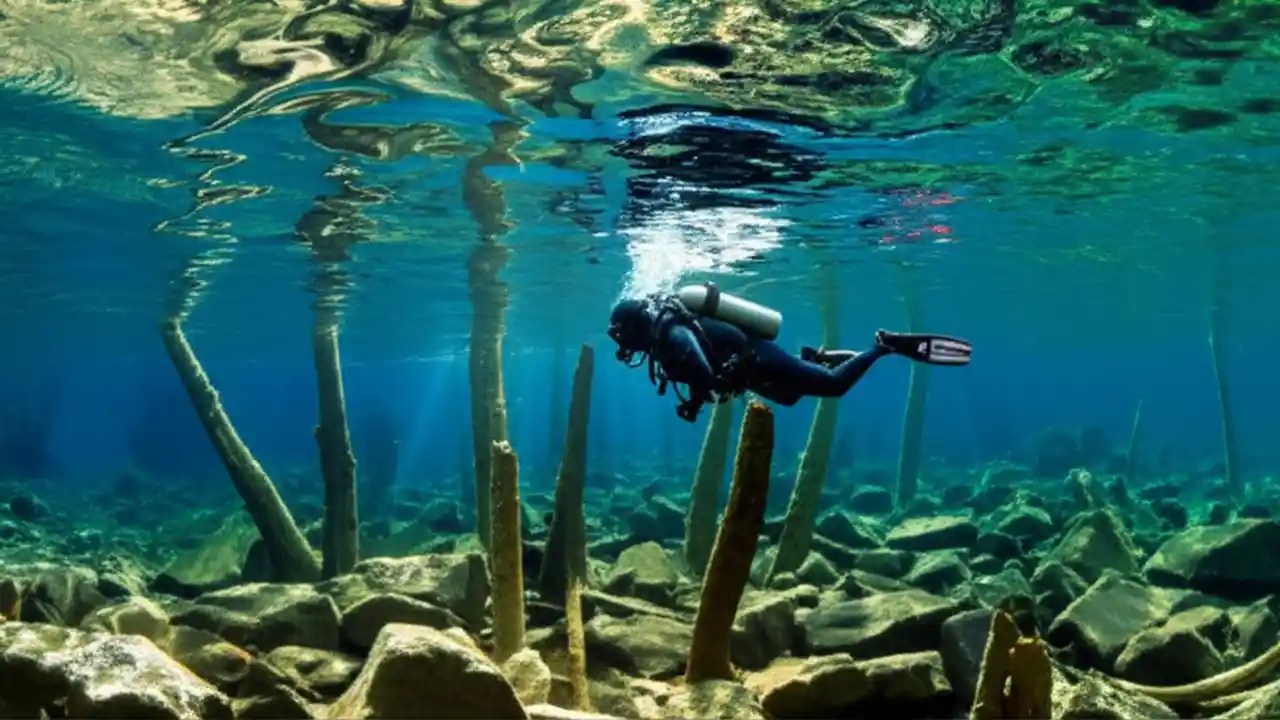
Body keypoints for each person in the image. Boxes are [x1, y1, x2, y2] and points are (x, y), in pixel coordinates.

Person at [607, 285, 972, 422]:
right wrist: (697, 400)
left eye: (624, 339)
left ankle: (885, 345)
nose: (626, 349)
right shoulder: (663, 341)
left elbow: (701, 368)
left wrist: (705, 391)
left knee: (833, 386)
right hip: (749, 369)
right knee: (792, 396)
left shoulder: (672, 334)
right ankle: (811, 360)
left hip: (755, 354)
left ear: (636, 326)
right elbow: (701, 372)